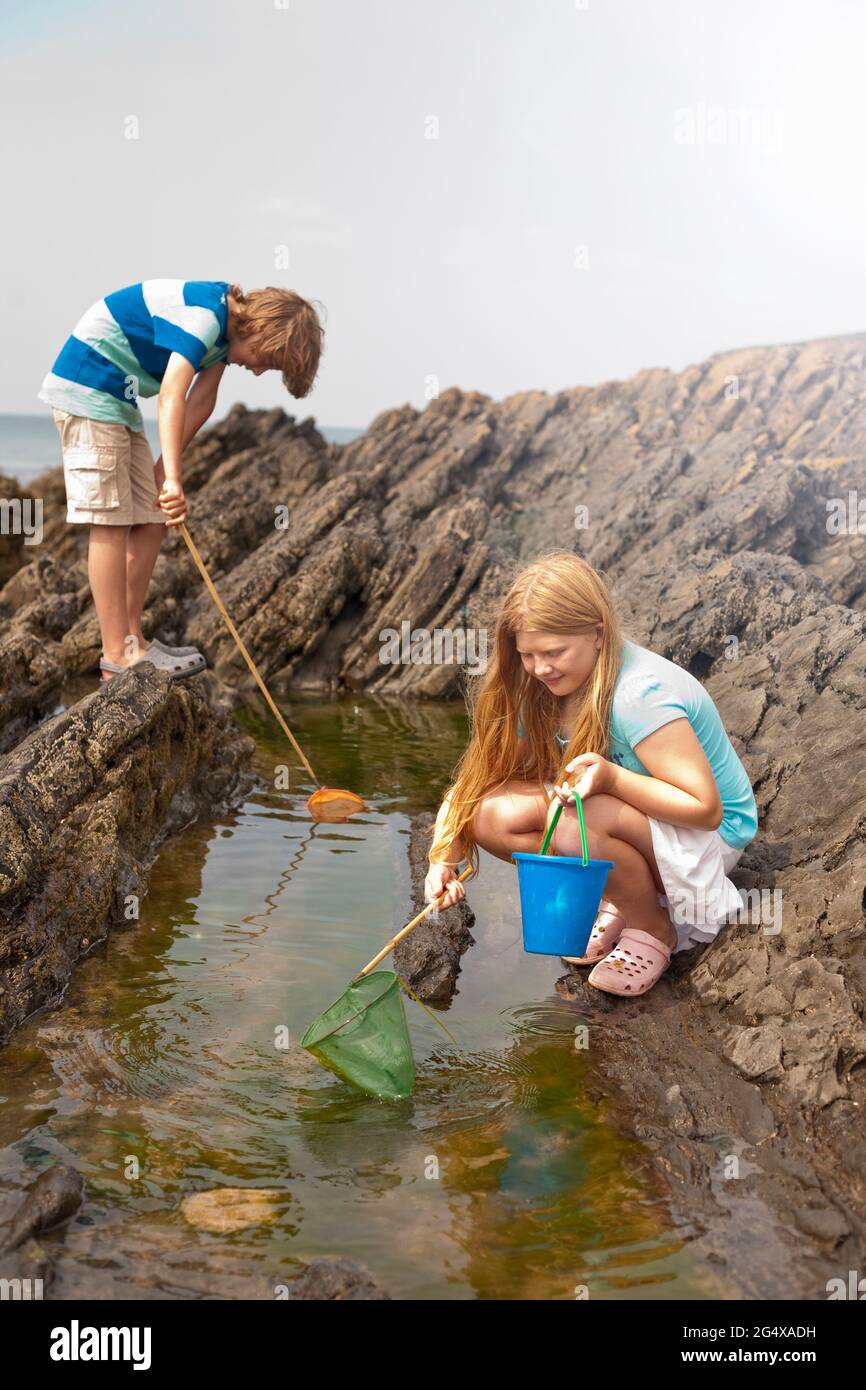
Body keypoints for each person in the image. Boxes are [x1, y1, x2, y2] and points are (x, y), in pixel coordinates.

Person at [424, 550, 757, 996]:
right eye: (528, 655)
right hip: (635, 822)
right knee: (488, 815)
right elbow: (478, 782)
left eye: (555, 652)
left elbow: (705, 809)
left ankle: (654, 928)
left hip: (705, 841)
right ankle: (621, 894)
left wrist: (612, 779)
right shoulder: (545, 687)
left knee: (573, 819)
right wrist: (444, 855)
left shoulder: (639, 696)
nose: (541, 668)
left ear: (598, 634)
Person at [39, 280, 323, 681]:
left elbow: (201, 401)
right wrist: (174, 478)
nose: (259, 371)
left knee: (151, 515)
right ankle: (115, 654)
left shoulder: (225, 337)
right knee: (110, 521)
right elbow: (172, 392)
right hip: (88, 385)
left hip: (118, 399)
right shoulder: (206, 317)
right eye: (267, 360)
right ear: (260, 328)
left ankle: (133, 640)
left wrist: (162, 472)